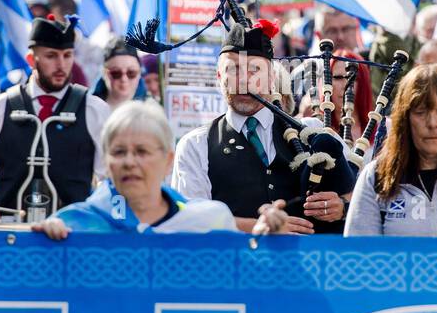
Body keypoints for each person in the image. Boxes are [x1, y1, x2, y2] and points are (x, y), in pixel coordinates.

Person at [171, 18, 354, 234]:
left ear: (272, 78)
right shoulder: (196, 145)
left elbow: (363, 193)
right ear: (219, 77)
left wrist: (342, 206)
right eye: (233, 69)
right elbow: (189, 219)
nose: (243, 80)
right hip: (236, 264)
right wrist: (255, 227)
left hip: (309, 264)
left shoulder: (311, 132)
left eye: (254, 70)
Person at [0, 15, 108, 220]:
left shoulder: (93, 108)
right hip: (11, 231)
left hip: (72, 233)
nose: (61, 65)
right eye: (51, 56)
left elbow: (111, 176)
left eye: (67, 55)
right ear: (31, 59)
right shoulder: (2, 105)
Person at [35, 101, 236, 238]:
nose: (129, 162)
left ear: (168, 161)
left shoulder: (210, 222)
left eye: (142, 151)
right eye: (119, 152)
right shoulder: (73, 224)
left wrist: (266, 234)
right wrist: (41, 247)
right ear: (106, 161)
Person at [345, 64, 437, 236]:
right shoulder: (376, 177)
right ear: (404, 119)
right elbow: (360, 256)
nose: (432, 123)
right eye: (421, 112)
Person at [93, 37, 148, 112]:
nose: (124, 79)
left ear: (140, 72)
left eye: (131, 73)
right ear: (104, 74)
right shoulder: (89, 109)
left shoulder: (151, 110)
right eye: (116, 73)